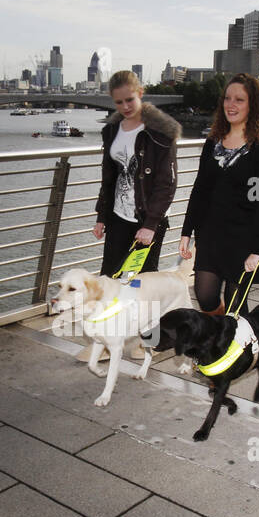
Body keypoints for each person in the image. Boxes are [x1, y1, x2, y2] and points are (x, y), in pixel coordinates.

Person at [87, 70, 181, 359]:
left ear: (140, 93)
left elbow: (167, 184)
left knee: (145, 284)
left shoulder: (160, 134)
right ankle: (103, 344)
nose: (125, 106)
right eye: (118, 102)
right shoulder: (112, 131)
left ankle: (146, 343)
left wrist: (151, 224)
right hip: (118, 217)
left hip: (146, 220)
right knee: (109, 280)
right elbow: (109, 177)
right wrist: (102, 215)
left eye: (129, 99)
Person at [179, 74, 259, 314]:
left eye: (239, 100)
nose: (231, 105)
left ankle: (239, 346)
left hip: (243, 238)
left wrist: (258, 248)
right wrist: (187, 231)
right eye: (227, 98)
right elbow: (200, 189)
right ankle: (223, 335)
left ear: (252, 105)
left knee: (236, 304)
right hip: (211, 235)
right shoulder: (213, 142)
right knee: (205, 296)